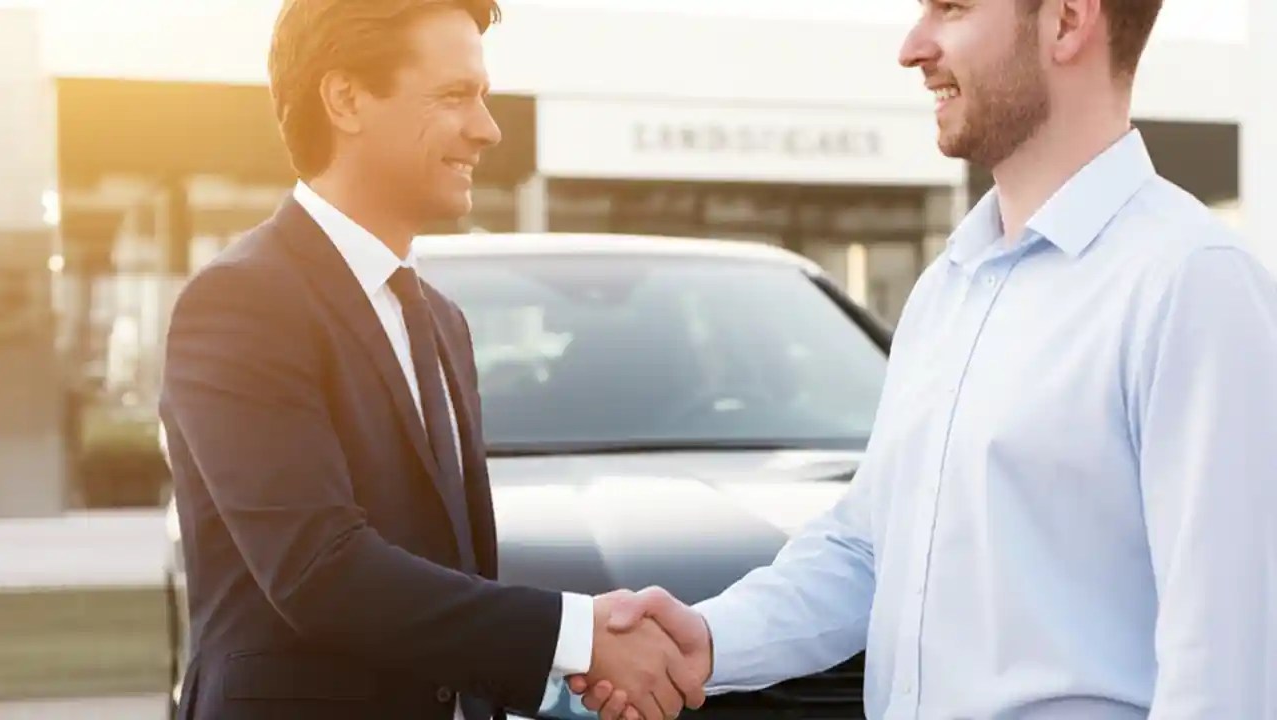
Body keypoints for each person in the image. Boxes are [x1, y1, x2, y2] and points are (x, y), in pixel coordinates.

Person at [571, 0, 1277, 717]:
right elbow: (869, 550)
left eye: (952, 8)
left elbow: (1223, 670)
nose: (912, 47)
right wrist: (709, 640)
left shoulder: (1193, 284)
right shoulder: (949, 286)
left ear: (1067, 20)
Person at [158, 1, 702, 719]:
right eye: (454, 95)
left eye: (483, 95)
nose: (488, 128)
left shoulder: (442, 321)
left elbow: (455, 574)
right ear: (346, 99)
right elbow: (318, 571)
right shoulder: (241, 302)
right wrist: (579, 638)